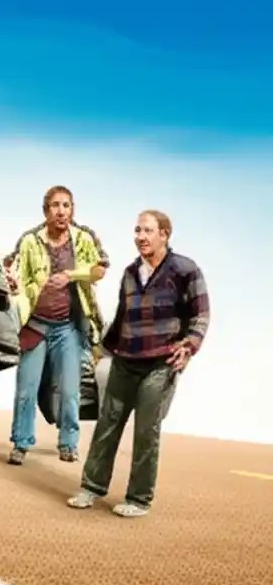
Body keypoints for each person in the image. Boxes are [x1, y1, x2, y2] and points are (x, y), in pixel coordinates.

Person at [67, 210, 209, 518]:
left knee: (146, 430)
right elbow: (121, 318)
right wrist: (101, 350)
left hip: (161, 362)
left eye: (147, 231)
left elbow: (200, 315)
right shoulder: (131, 272)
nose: (140, 237)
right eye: (137, 230)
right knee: (108, 423)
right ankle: (91, 487)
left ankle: (139, 499)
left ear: (164, 235)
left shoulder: (185, 269)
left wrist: (189, 346)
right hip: (125, 360)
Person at [5, 186, 108, 465]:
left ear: (72, 209)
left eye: (66, 205)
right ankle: (21, 443)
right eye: (55, 205)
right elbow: (10, 266)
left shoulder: (83, 237)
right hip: (35, 325)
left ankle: (68, 443)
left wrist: (70, 275)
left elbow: (100, 268)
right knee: (26, 388)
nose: (61, 211)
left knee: (70, 388)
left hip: (68, 327)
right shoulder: (30, 240)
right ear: (45, 210)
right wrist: (11, 280)